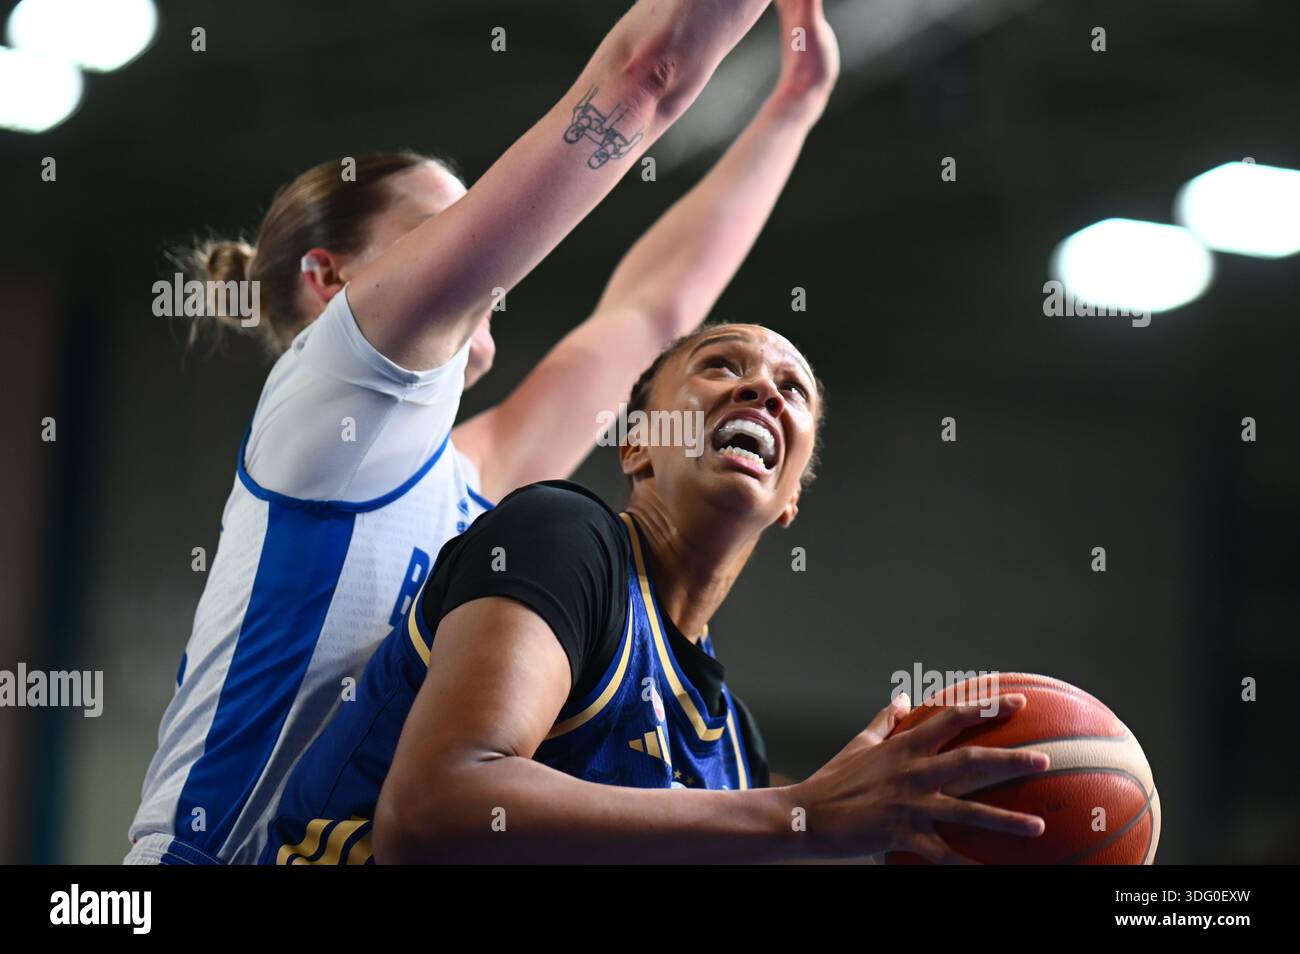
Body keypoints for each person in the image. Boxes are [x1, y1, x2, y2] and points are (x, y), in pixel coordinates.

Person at [129, 0, 841, 865]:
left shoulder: (474, 476)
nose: (487, 261)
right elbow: (642, 79)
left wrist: (792, 110)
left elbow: (656, 310)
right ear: (332, 278)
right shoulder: (330, 390)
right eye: (443, 229)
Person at [262, 323, 1051, 864]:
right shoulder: (562, 537)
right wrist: (800, 815)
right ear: (638, 444)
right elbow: (433, 810)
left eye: (792, 390)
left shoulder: (732, 744)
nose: (762, 392)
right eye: (722, 366)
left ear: (790, 504)